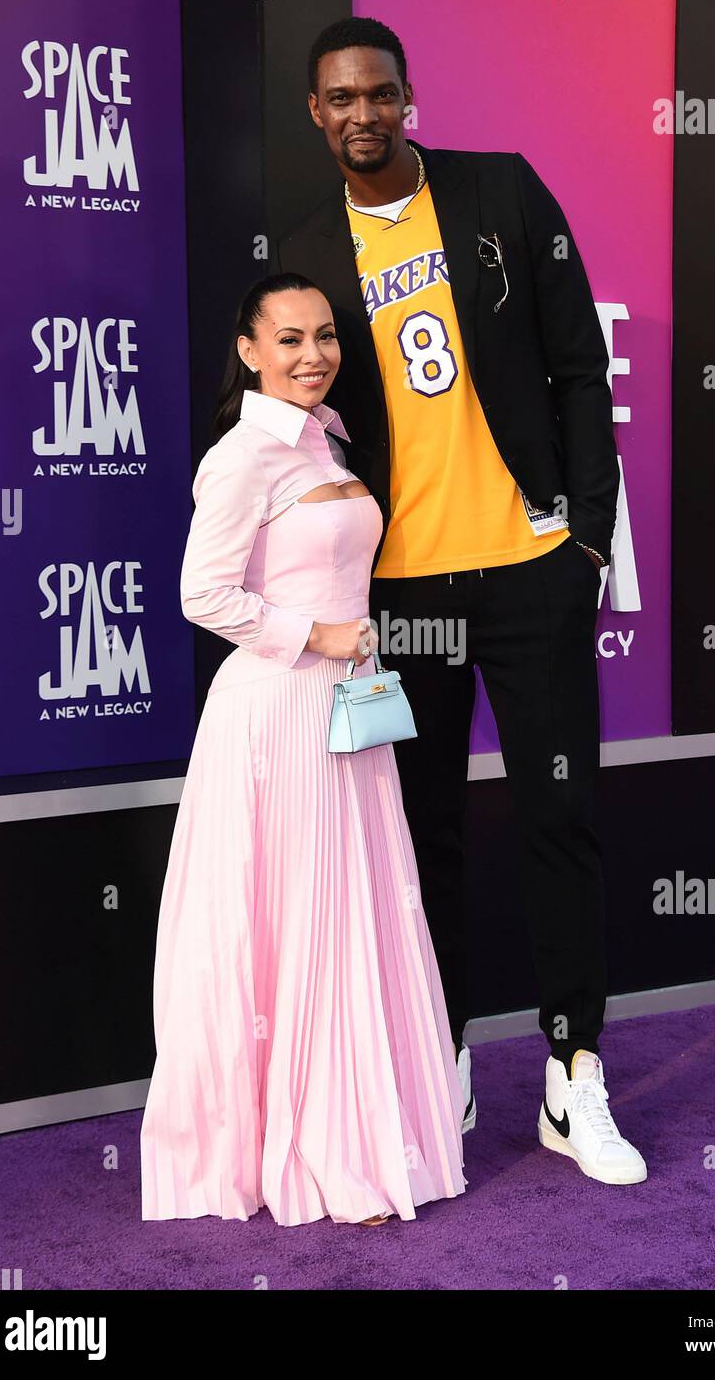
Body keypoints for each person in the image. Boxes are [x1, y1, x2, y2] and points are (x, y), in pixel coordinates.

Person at [267, 15, 646, 1185]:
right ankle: (440, 1062)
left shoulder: (500, 193)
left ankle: (572, 1073)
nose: (362, 114)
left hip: (531, 570)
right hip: (404, 593)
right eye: (339, 98)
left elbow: (580, 366)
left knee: (558, 820)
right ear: (316, 114)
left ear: (408, 96)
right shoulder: (309, 251)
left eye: (379, 92)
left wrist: (587, 540)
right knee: (419, 836)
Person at [139, 272, 467, 1226]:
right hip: (276, 715)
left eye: (324, 336)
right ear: (247, 350)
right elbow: (202, 595)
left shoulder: (329, 436)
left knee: (351, 912)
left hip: (346, 715)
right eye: (287, 339)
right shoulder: (244, 454)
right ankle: (316, 1153)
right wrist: (315, 636)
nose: (311, 355)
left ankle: (361, 1134)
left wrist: (342, 646)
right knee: (298, 920)